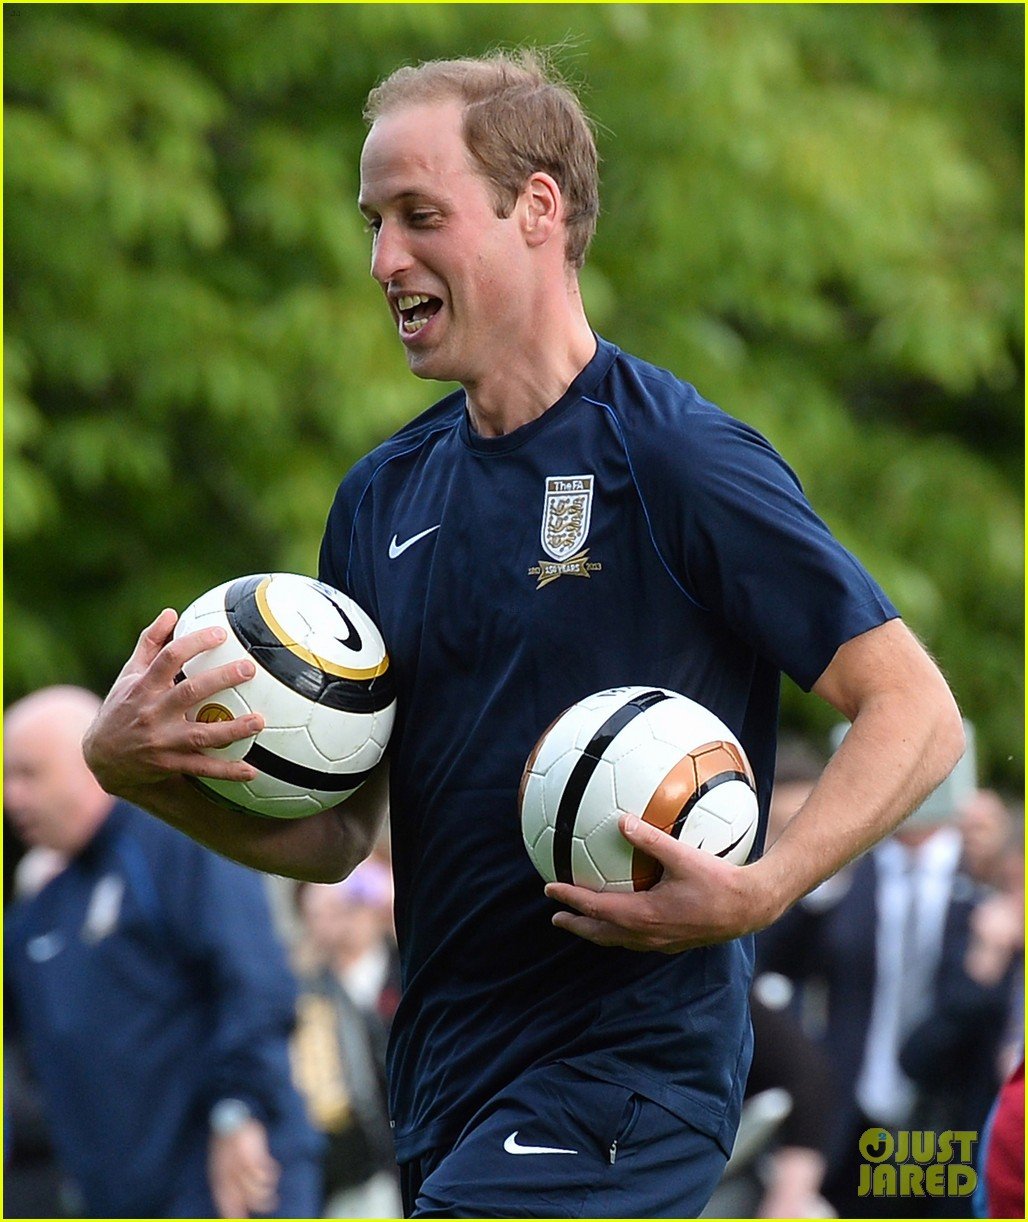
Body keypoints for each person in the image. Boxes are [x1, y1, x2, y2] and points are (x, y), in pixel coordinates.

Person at [82, 51, 965, 1219]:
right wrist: (132, 772)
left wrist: (764, 887)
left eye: (419, 215)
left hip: (625, 1071)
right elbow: (344, 833)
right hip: (445, 1077)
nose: (383, 259)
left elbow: (915, 710)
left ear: (536, 208)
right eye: (373, 222)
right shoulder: (379, 498)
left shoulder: (674, 458)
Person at [4, 686, 323, 1218]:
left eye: (29, 774)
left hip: (226, 1181)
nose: (12, 799)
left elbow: (255, 983)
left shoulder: (175, 842)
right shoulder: (38, 910)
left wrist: (238, 1113)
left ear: (88, 764)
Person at [291, 863, 403, 1218]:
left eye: (341, 907)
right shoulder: (310, 998)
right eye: (317, 914)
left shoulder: (406, 971)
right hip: (356, 1176)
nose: (330, 920)